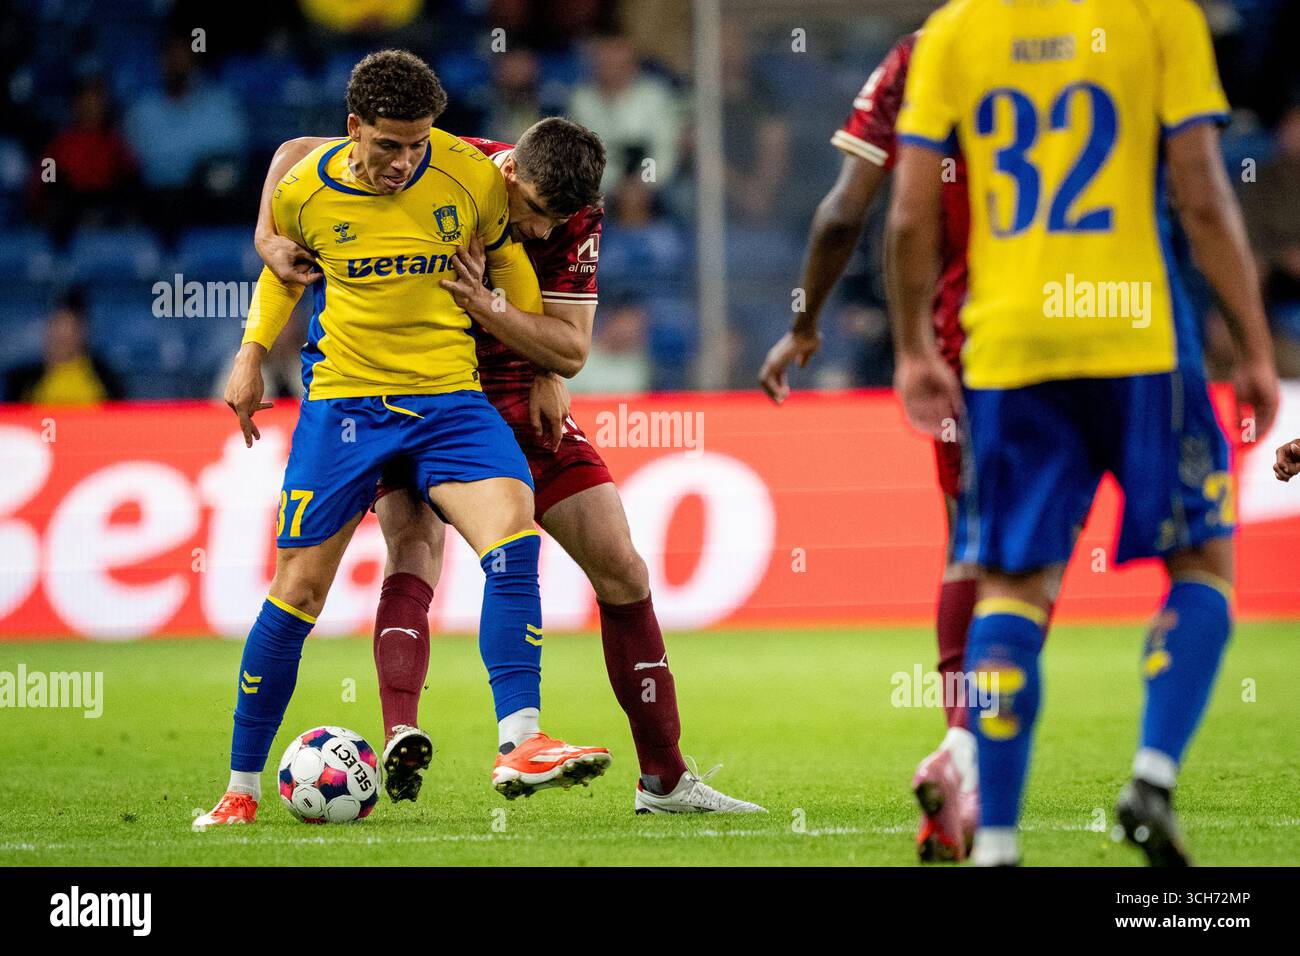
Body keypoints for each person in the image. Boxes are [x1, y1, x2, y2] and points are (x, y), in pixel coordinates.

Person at [256, 117, 763, 814]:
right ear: (509, 176)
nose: (547, 234)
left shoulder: (576, 210)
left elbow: (570, 346)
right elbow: (292, 151)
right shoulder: (444, 165)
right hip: (415, 388)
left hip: (516, 392)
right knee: (412, 546)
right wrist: (266, 239)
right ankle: (403, 731)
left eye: (560, 222)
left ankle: (666, 780)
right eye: (534, 216)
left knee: (621, 565)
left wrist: (518, 337)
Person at [887, 0, 1278, 866]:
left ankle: (994, 842)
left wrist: (914, 345)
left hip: (1012, 348)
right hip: (1138, 336)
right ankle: (1151, 775)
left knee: (1013, 586)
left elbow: (910, 216)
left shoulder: (955, 31)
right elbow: (1204, 195)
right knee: (1201, 560)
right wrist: (1254, 345)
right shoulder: (1159, 17)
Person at [194, 51, 610, 830]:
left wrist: (537, 352)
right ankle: (240, 787)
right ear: (354, 129)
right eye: (389, 145)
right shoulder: (305, 187)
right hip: (342, 406)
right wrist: (252, 353)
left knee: (514, 535)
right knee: (298, 593)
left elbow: (519, 276)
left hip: (451, 400)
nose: (405, 161)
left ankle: (519, 740)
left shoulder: (473, 178)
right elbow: (285, 268)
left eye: (419, 143)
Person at [4, 289, 124, 405]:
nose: (62, 336)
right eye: (57, 325)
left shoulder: (105, 378)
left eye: (70, 327)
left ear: (83, 331)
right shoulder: (22, 380)